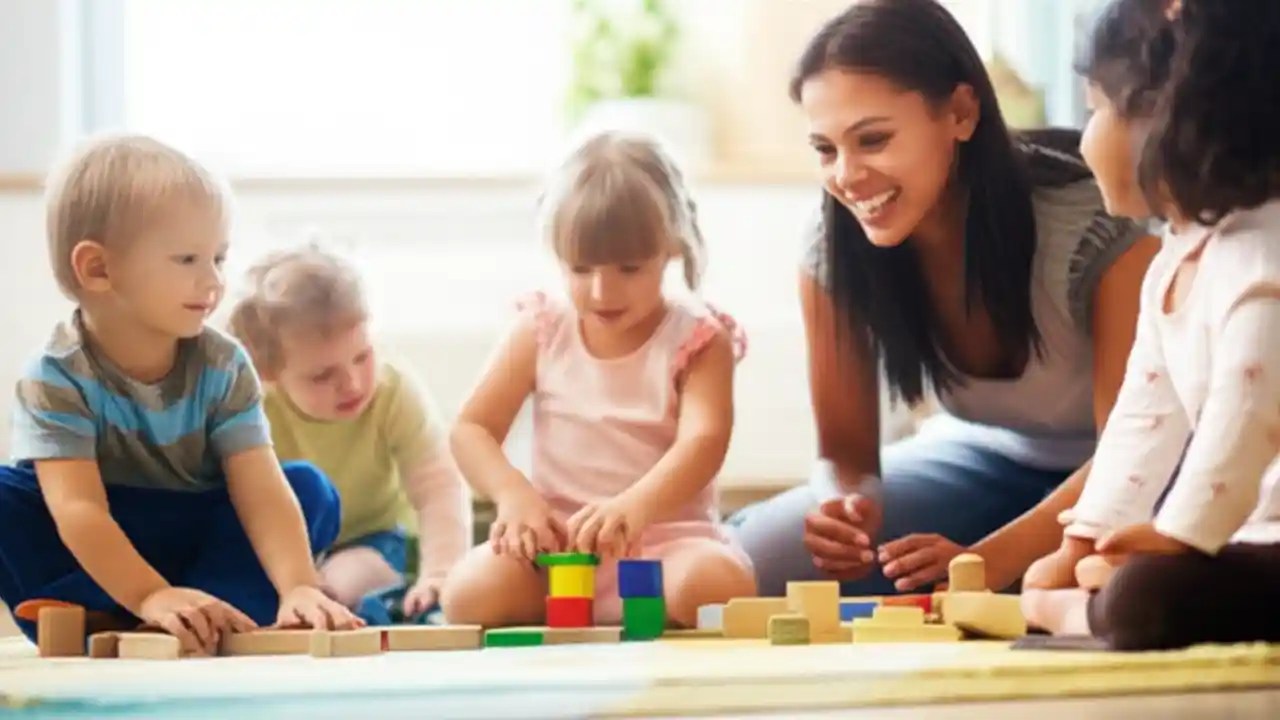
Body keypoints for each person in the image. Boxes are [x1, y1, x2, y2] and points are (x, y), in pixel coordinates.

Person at [728, 0, 1159, 597]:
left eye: (872, 139)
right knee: (753, 559)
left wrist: (987, 562)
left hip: (1133, 472)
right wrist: (844, 507)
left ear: (959, 112)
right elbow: (846, 457)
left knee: (1117, 582)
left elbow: (1133, 450)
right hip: (982, 460)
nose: (847, 176)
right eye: (825, 149)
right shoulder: (833, 247)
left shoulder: (1099, 228)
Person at [0, 134, 360, 655]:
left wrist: (299, 583)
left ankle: (214, 609)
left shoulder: (224, 364)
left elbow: (259, 487)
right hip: (101, 539)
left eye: (218, 257)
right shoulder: (55, 376)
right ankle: (106, 611)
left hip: (195, 523)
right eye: (188, 259)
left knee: (308, 489)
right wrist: (150, 594)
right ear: (99, 269)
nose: (213, 280)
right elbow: (79, 510)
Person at [1022, 0, 1280, 650]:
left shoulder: (1262, 255)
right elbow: (1144, 414)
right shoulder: (1176, 258)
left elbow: (1249, 413)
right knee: (1133, 580)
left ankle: (1081, 616)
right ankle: (1101, 602)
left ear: (1165, 118)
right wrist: (1082, 535)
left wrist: (1180, 536)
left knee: (1145, 596)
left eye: (1097, 110)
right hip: (1247, 534)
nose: (1084, 138)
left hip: (1243, 535)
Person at [440, 130, 756, 627]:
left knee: (717, 586)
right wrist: (513, 495)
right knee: (467, 595)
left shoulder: (699, 337)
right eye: (581, 269)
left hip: (664, 542)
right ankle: (577, 610)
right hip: (559, 550)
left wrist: (636, 506)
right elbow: (471, 429)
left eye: (629, 268)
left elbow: (705, 441)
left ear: (670, 248)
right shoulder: (542, 327)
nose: (602, 291)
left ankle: (644, 608)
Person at [227, 243, 471, 623]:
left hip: (372, 539)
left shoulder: (393, 391)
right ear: (268, 374)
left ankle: (358, 609)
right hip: (281, 546)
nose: (353, 383)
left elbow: (438, 487)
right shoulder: (251, 406)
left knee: (342, 582)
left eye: (362, 356)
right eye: (323, 375)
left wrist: (441, 573)